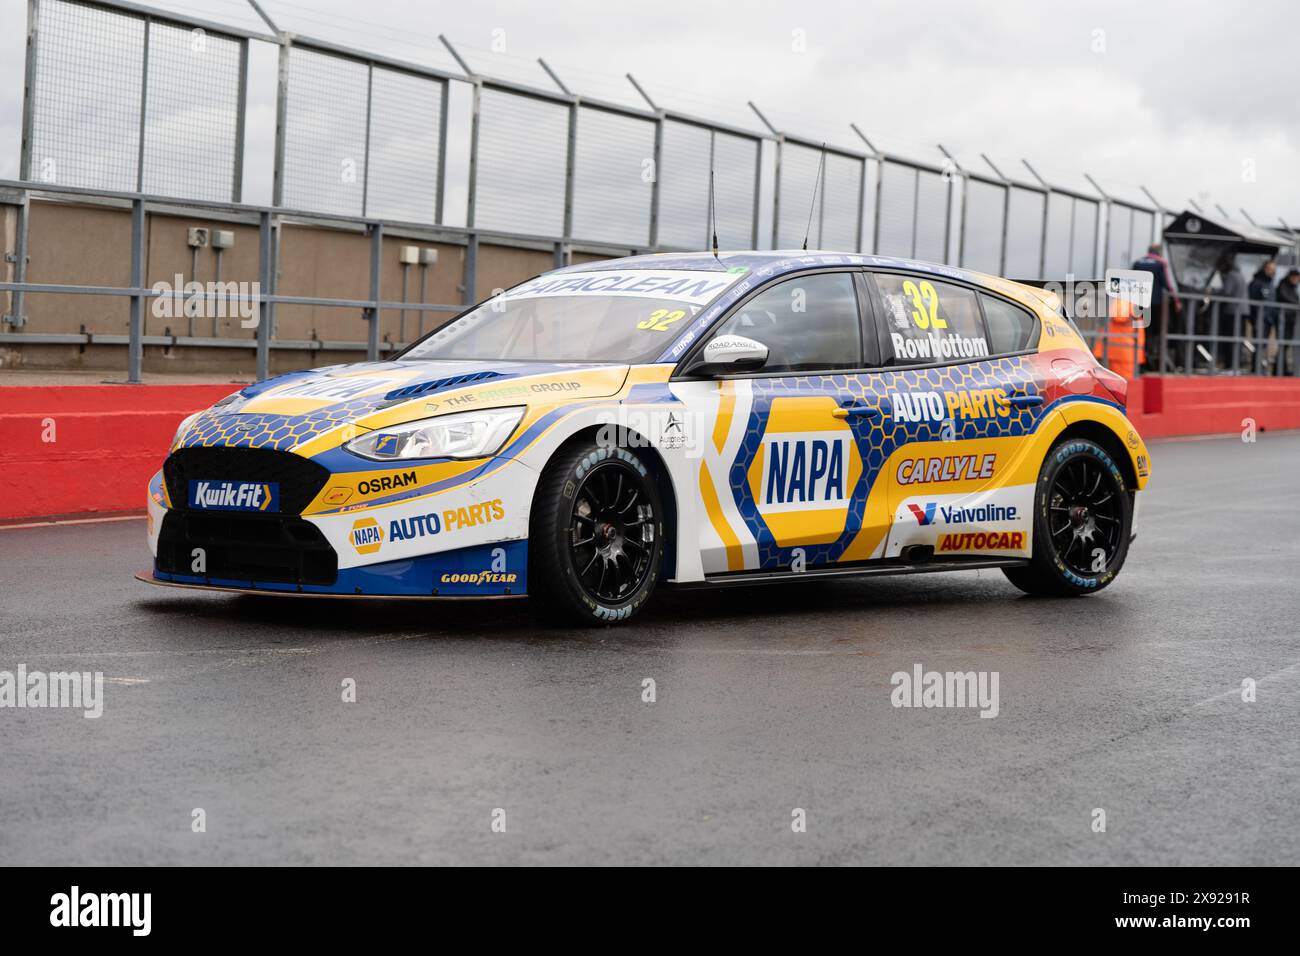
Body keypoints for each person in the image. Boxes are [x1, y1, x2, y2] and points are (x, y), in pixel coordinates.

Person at [1131, 243, 1179, 371]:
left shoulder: (1137, 262)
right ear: (1159, 252)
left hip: (1139, 302)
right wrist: (1176, 301)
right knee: (1155, 333)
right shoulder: (1160, 263)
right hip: (1155, 303)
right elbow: (1167, 284)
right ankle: (1152, 359)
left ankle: (1140, 361)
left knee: (1141, 332)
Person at [1249, 260, 1278, 373]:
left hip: (1268, 320)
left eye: (1273, 269)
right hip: (1259, 319)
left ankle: (1261, 367)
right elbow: (1252, 301)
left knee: (1264, 345)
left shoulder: (1271, 284)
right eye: (1270, 269)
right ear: (1264, 269)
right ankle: (1256, 369)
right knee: (1259, 344)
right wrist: (1254, 318)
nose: (1272, 271)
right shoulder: (1256, 283)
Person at [1275, 268, 1299, 376]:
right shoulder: (1283, 286)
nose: (1296, 279)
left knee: (1285, 345)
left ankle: (1281, 369)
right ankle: (1279, 370)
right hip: (1284, 320)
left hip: (1291, 320)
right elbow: (1285, 298)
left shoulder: (1292, 288)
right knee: (1283, 345)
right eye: (1295, 277)